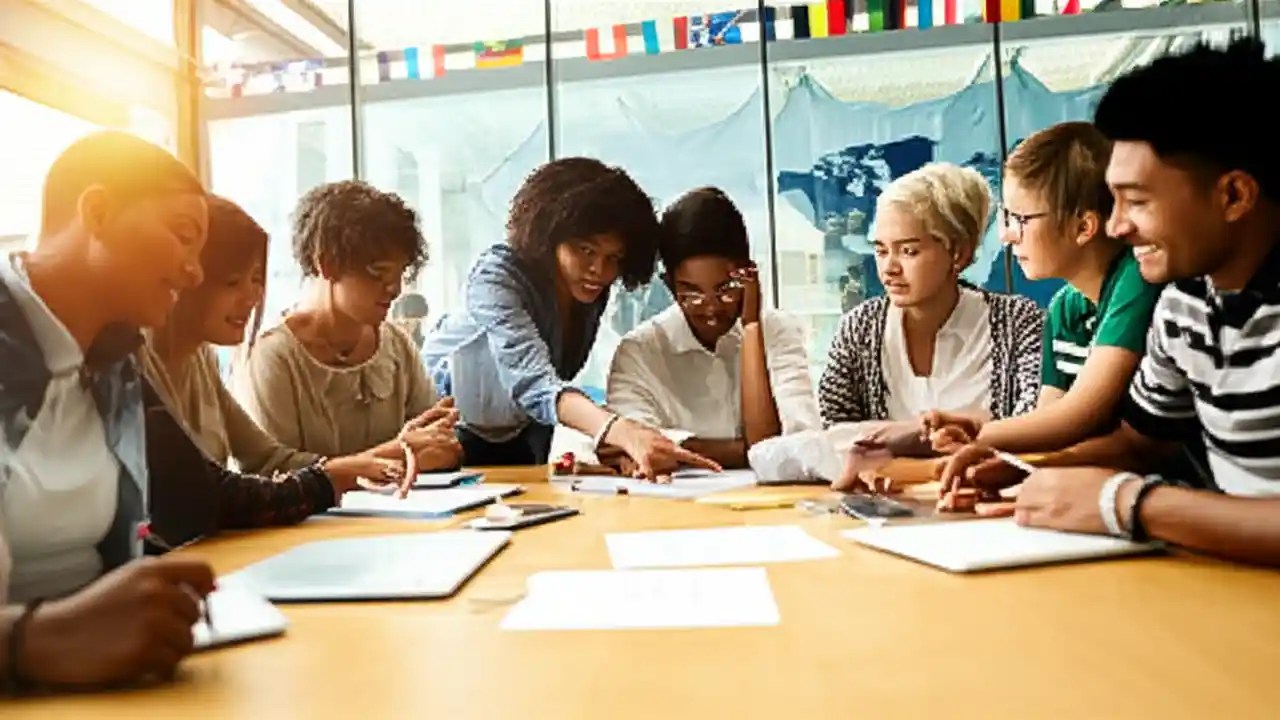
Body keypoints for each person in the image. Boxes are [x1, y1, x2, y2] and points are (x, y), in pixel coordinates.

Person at [942, 39, 1280, 567]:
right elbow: (1141, 443)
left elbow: (1130, 478)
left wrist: (1124, 502)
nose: (1118, 226)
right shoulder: (1185, 307)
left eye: (1138, 201)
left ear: (1234, 196)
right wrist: (1030, 467)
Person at [0, 131, 216, 689]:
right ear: (96, 211)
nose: (195, 272)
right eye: (183, 237)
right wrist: (36, 639)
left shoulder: (114, 363)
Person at [142, 197, 462, 534]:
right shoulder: (266, 353)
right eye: (233, 282)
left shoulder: (200, 358)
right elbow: (254, 480)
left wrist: (417, 450)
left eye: (256, 280)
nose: (252, 298)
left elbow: (267, 459)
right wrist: (396, 454)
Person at [421, 157, 717, 477]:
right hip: (445, 433)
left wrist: (613, 442)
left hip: (524, 432)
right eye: (585, 251)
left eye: (613, 258)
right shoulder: (496, 277)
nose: (600, 271)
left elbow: (549, 397)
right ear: (549, 236)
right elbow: (535, 383)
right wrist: (622, 431)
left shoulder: (589, 291)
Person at [929, 123, 1164, 495]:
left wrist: (982, 434)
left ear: (1083, 226)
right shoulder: (1064, 309)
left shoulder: (1135, 279)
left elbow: (1082, 414)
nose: (1006, 235)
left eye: (1019, 220)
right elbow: (1049, 423)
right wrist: (994, 450)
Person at [816, 162, 1043, 487]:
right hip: (884, 507)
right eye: (880, 251)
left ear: (959, 253)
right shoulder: (859, 328)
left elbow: (1034, 427)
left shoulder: (1018, 322)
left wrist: (892, 453)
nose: (889, 268)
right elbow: (831, 437)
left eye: (908, 251)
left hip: (988, 504)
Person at [233, 181, 461, 470]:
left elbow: (435, 442)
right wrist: (398, 454)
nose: (394, 289)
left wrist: (440, 446)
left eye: (400, 274)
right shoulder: (273, 355)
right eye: (379, 273)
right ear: (326, 264)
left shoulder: (396, 344)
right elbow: (271, 472)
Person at [602, 187, 821, 469]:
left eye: (725, 290)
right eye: (691, 294)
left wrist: (752, 327)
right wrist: (747, 451)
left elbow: (796, 445)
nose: (711, 309)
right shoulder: (640, 351)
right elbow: (636, 447)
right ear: (669, 285)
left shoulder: (778, 332)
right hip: (669, 510)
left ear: (749, 277)